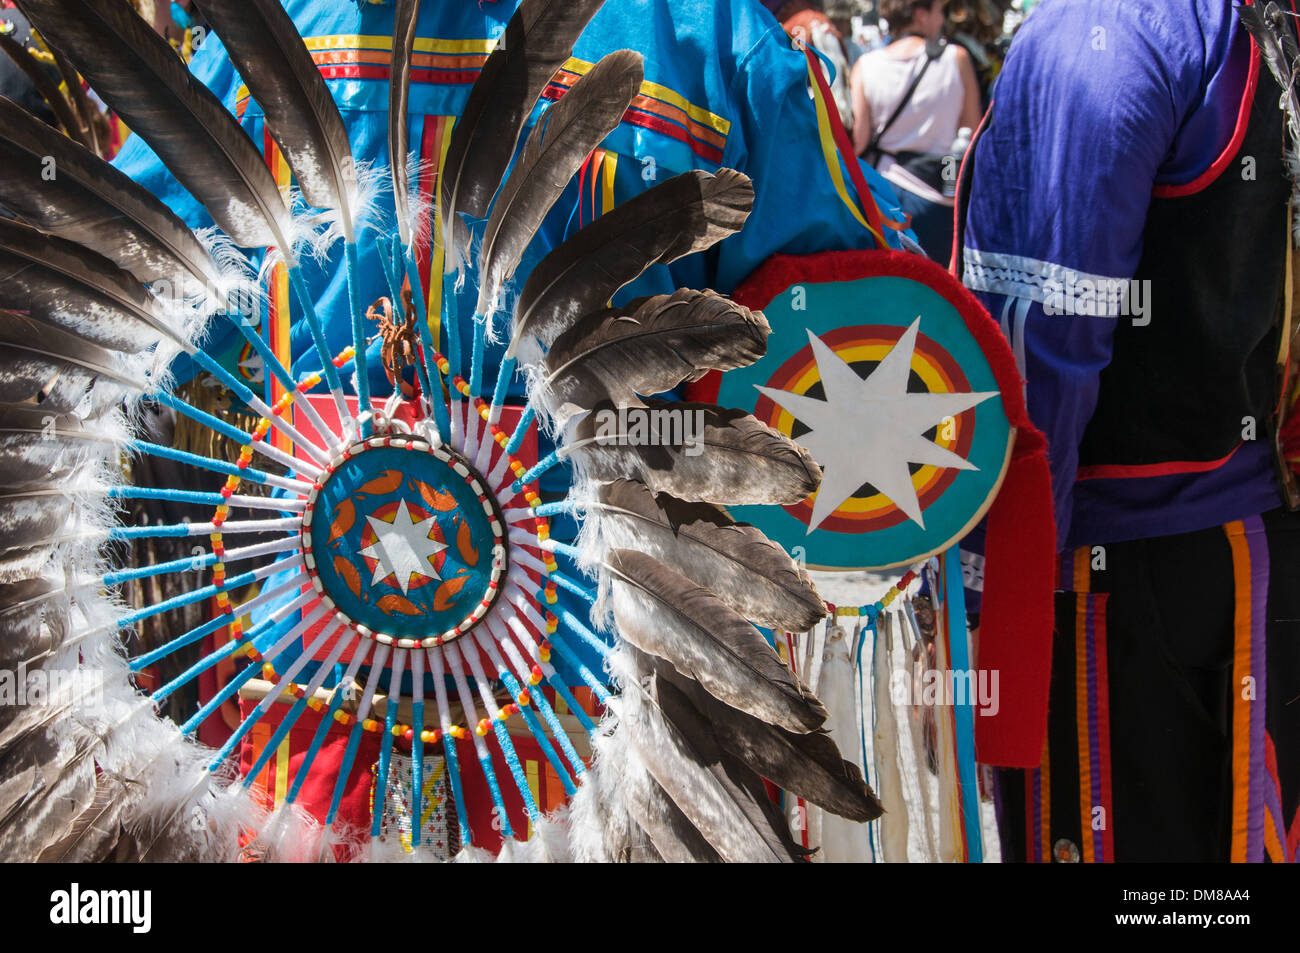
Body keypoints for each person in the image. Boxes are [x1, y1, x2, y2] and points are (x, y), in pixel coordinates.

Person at [958, 0, 1300, 862]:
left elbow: (1041, 358)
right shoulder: (1228, 28)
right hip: (1247, 556)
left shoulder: (1110, 28)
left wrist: (984, 597)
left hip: (1120, 592)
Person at [852, 0, 981, 261]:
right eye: (939, 12)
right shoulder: (956, 58)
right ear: (921, 15)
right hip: (939, 194)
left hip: (883, 193)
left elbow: (860, 140)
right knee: (938, 289)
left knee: (892, 284)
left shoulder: (865, 65)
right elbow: (971, 130)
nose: (943, 20)